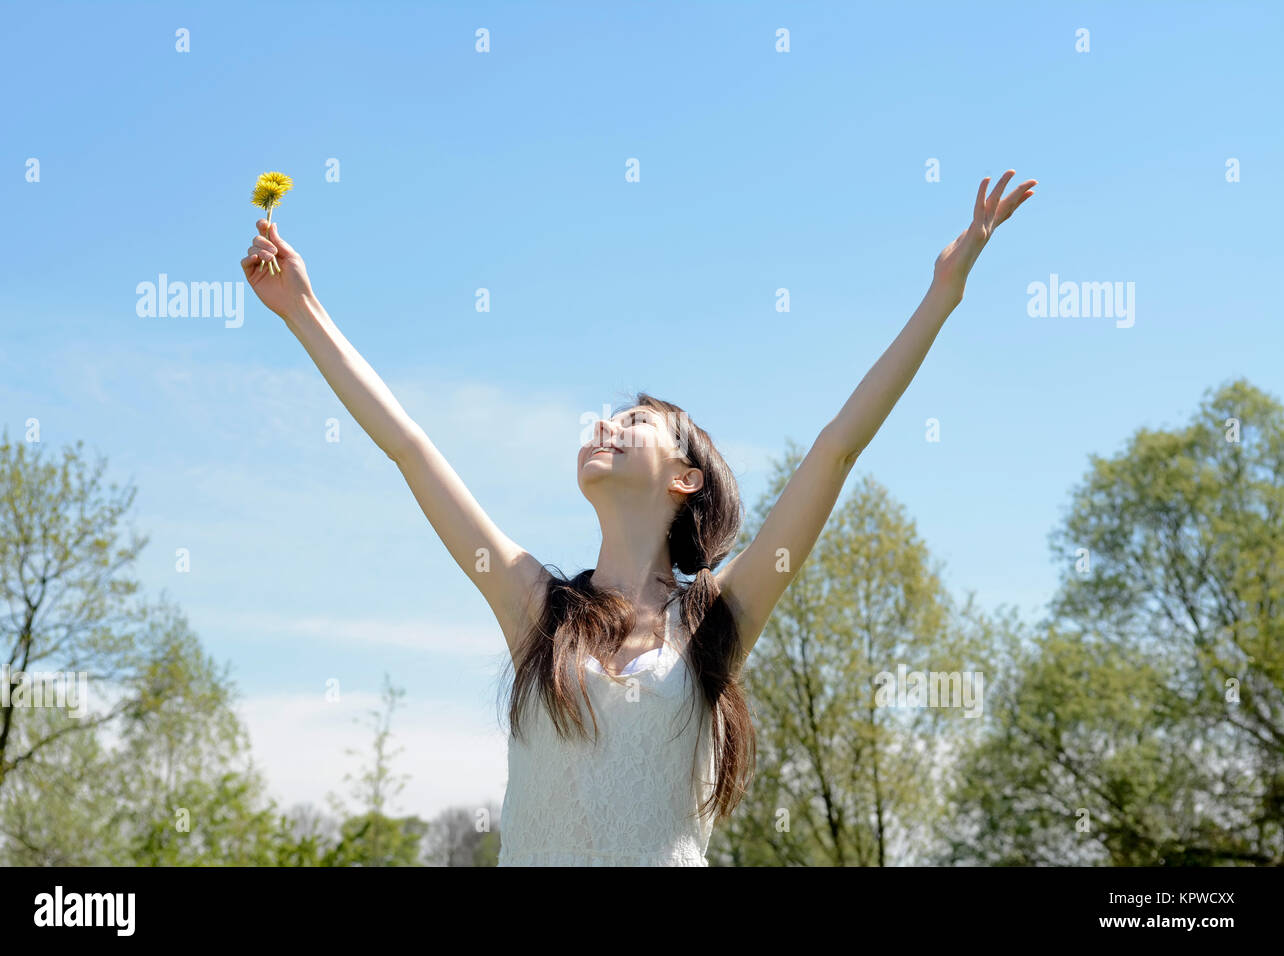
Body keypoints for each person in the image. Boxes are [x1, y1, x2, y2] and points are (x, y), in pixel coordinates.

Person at [240, 170, 1036, 866]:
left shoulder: (720, 616)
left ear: (686, 478)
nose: (604, 428)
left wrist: (943, 295)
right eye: (602, 421)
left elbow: (834, 452)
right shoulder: (535, 607)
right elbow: (411, 449)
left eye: (633, 423)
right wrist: (302, 309)